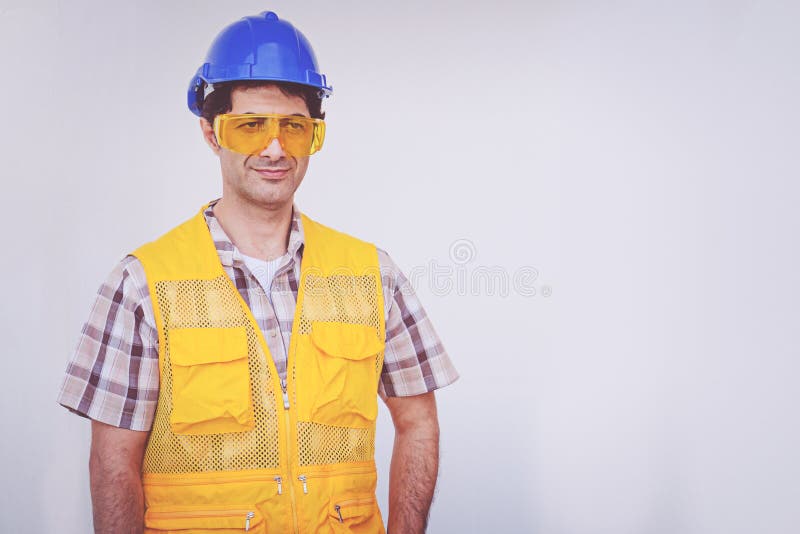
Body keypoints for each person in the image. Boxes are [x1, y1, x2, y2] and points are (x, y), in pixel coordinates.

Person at [57, 10, 458, 534]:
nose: (274, 148)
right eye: (250, 127)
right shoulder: (142, 285)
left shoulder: (372, 276)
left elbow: (418, 423)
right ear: (210, 132)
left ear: (314, 135)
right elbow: (112, 465)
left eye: (294, 128)